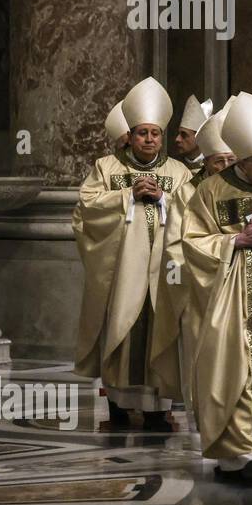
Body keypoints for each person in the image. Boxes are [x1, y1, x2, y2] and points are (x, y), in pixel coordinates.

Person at [72, 77, 191, 431]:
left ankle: (157, 410)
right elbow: (87, 208)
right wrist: (126, 197)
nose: (150, 139)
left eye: (155, 133)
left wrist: (165, 200)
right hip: (124, 269)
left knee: (161, 329)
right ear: (132, 134)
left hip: (166, 270)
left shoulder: (177, 172)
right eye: (142, 133)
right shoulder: (107, 168)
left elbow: (193, 213)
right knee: (122, 330)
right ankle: (120, 409)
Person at [182, 93, 252, 484]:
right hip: (230, 293)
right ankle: (239, 453)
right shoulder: (211, 191)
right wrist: (234, 241)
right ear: (240, 161)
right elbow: (190, 241)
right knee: (235, 368)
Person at [148, 98, 237, 428]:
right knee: (208, 365)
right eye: (218, 162)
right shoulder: (189, 193)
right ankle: (211, 428)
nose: (224, 168)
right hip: (203, 293)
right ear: (207, 162)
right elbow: (175, 247)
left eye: (231, 160)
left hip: (250, 295)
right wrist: (218, 260)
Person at [172, 95, 213, 175]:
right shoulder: (173, 166)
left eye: (184, 135)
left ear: (199, 137)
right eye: (179, 134)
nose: (177, 139)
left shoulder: (213, 165)